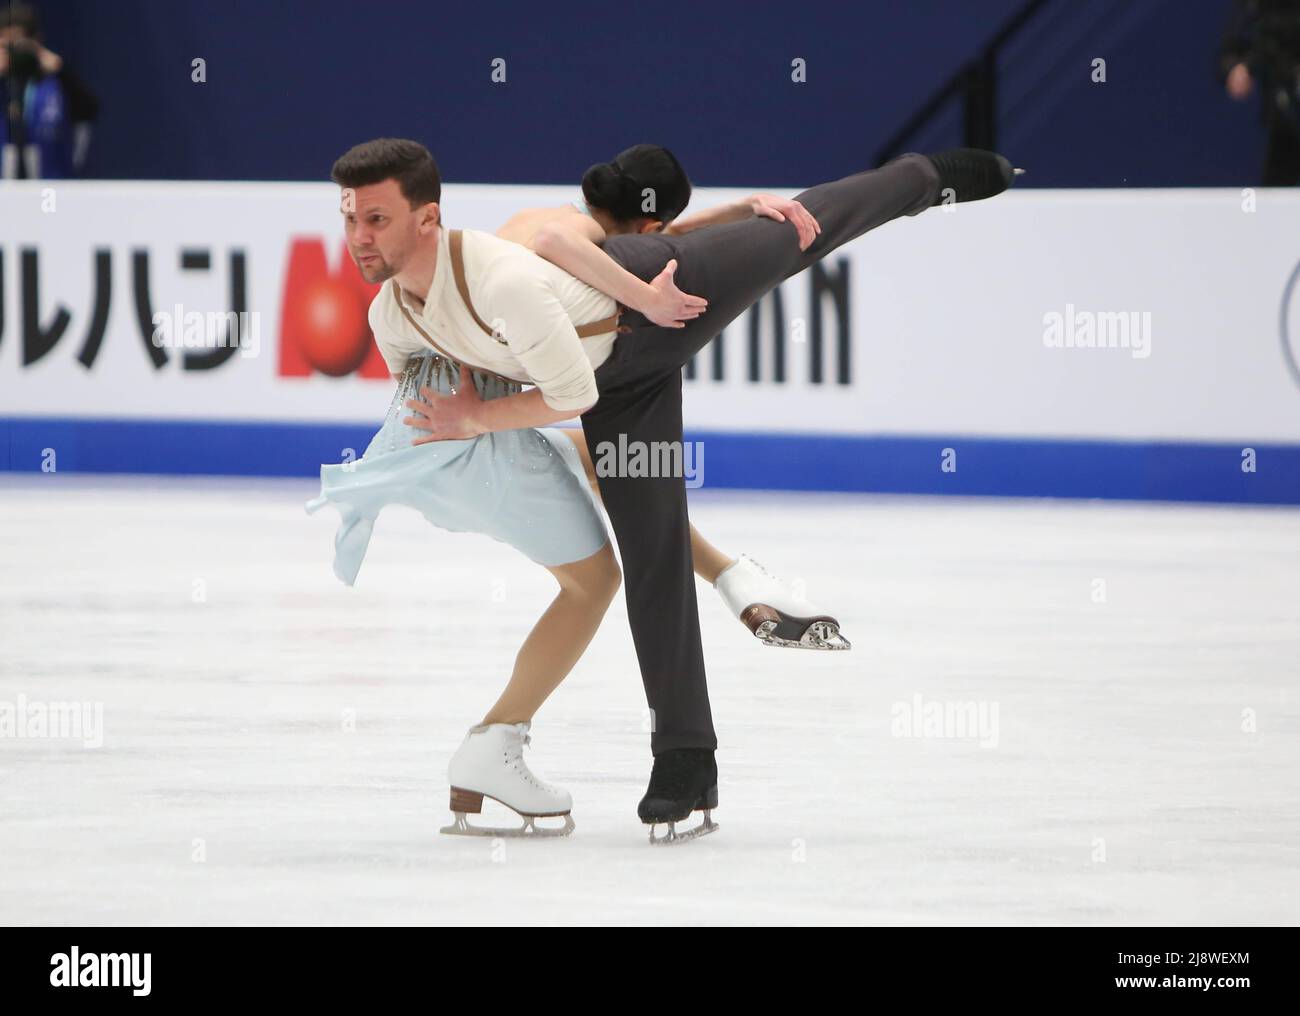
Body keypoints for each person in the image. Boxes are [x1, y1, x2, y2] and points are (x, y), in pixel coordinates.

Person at [326, 137, 1017, 841]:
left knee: (793, 237)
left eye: (374, 218)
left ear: (427, 218)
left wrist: (681, 267)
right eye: (350, 218)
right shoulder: (397, 316)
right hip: (623, 385)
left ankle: (924, 177)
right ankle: (686, 758)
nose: (357, 237)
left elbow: (565, 373)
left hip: (665, 296)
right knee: (649, 554)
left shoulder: (503, 270)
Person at [1221, 0, 1300, 186]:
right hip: (1283, 123)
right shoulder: (1257, 6)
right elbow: (1231, 49)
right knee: (1274, 196)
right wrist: (1235, 68)